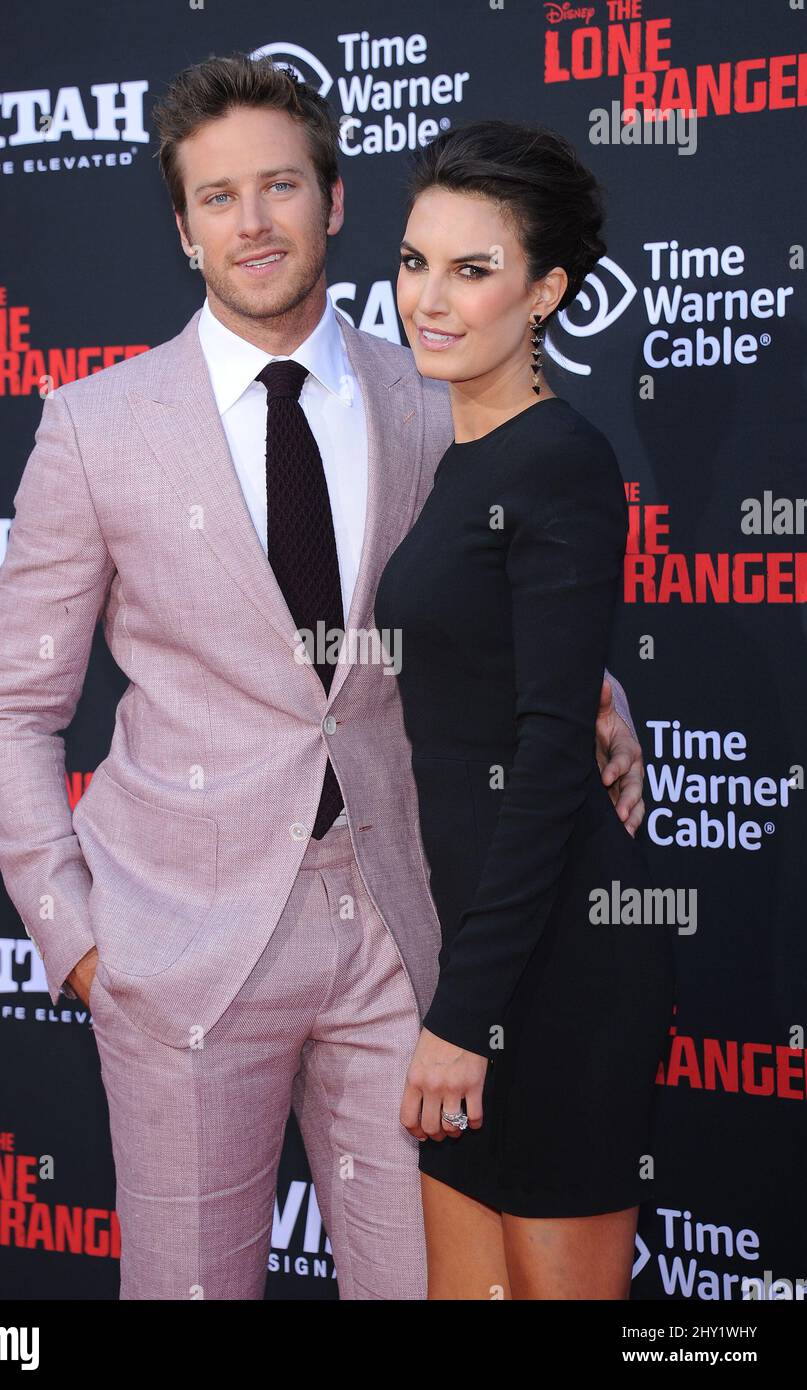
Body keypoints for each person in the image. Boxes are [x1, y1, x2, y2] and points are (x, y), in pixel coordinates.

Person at [0, 55, 646, 1301]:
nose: (253, 221)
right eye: (217, 197)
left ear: (334, 201)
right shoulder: (93, 426)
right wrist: (74, 943)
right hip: (177, 940)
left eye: (279, 185)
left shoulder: (435, 395)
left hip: (405, 930)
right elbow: (9, 706)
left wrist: (602, 699)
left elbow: (501, 610)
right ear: (182, 229)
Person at [374, 120, 675, 1300]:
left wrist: (463, 1015)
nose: (429, 300)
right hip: (472, 955)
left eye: (472, 268)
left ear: (545, 290)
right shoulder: (460, 456)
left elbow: (548, 749)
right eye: (413, 261)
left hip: (552, 968)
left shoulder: (561, 458)